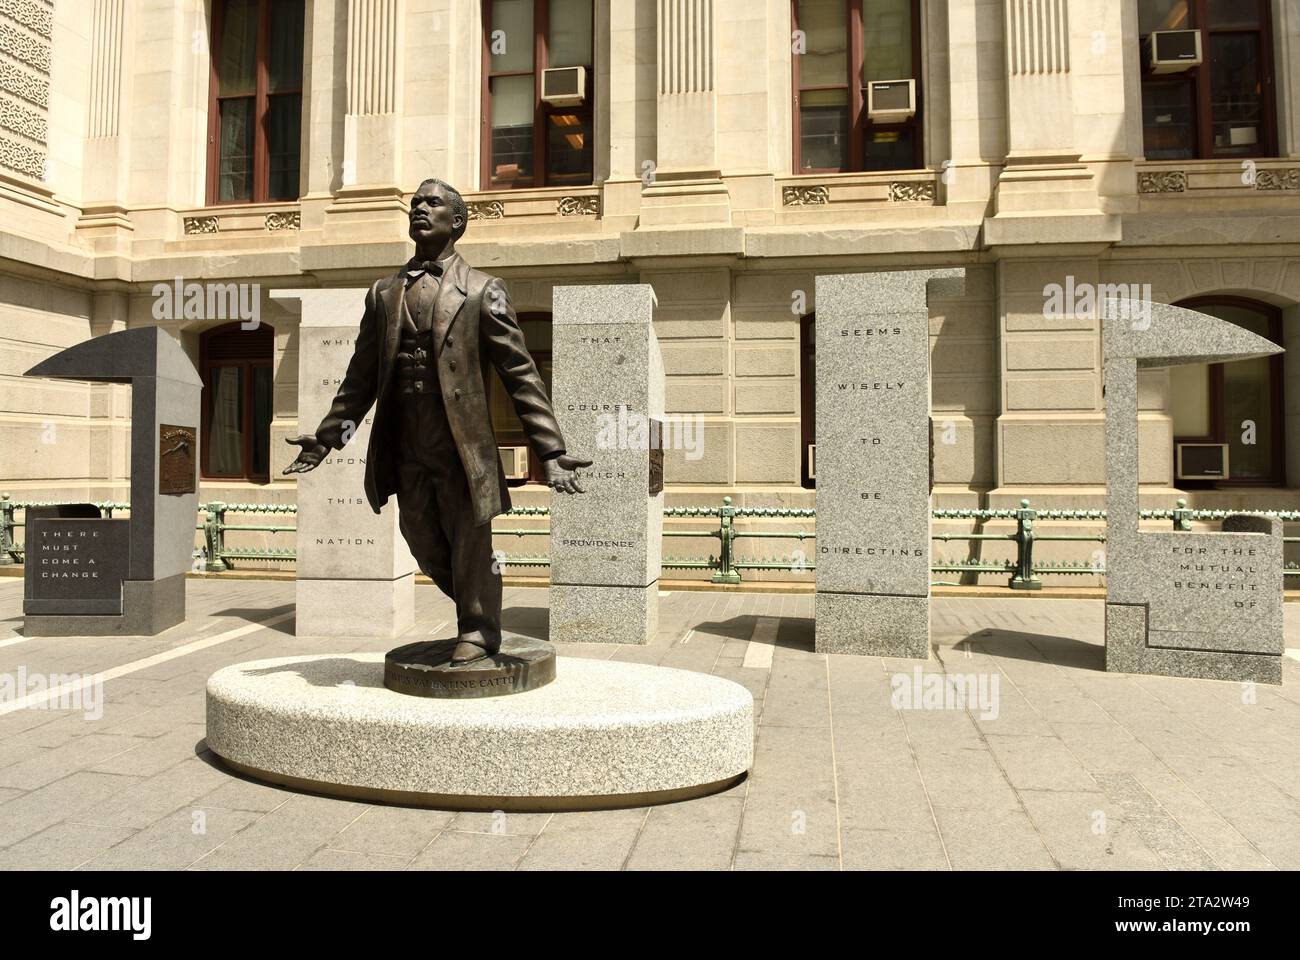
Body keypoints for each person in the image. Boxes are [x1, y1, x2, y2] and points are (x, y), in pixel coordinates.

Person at [284, 178, 590, 665]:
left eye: (433, 203)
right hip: (405, 441)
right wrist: (327, 439)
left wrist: (550, 450)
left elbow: (519, 373)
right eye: (415, 204)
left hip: (462, 445)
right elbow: (360, 379)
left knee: (470, 537)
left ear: (458, 221)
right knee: (421, 537)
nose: (420, 209)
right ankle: (480, 604)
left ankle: (477, 627)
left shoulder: (484, 291)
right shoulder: (382, 293)